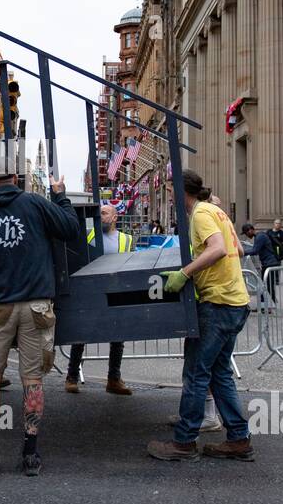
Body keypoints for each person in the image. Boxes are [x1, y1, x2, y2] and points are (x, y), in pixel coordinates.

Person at [0, 161, 80, 477]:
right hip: (36, 307)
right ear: (15, 179)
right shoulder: (34, 204)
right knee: (32, 380)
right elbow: (70, 229)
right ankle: (30, 454)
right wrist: (60, 195)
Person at [148, 169, 254, 462]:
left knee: (196, 373)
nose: (169, 196)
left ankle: (184, 442)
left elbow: (219, 249)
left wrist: (186, 272)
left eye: (171, 191)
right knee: (219, 374)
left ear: (183, 191)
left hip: (218, 305)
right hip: (235, 302)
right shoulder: (217, 212)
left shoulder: (200, 214)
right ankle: (238, 439)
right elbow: (240, 251)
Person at [66, 203, 134, 396]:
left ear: (115, 218)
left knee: (117, 336)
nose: (101, 216)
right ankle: (71, 377)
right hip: (90, 290)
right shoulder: (88, 236)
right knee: (81, 334)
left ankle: (113, 379)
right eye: (99, 213)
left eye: (104, 213)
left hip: (116, 291)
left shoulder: (127, 240)